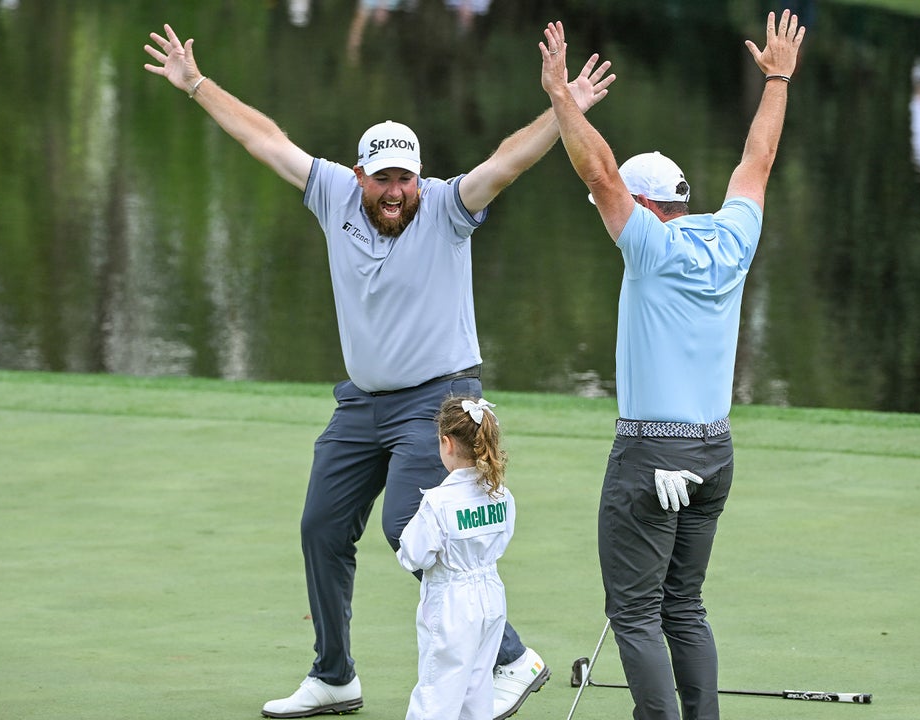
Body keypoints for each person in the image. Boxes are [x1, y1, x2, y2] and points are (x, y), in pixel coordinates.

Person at [142, 22, 614, 720]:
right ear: (360, 175)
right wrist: (197, 85)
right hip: (361, 403)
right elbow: (263, 138)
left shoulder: (448, 210)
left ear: (418, 177)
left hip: (441, 399)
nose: (396, 191)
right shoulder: (333, 194)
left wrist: (561, 107)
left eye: (405, 178)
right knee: (322, 527)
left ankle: (512, 656)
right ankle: (334, 675)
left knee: (408, 523)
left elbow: (507, 162)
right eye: (383, 178)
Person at [538, 11, 805, 720]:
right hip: (714, 451)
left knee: (633, 613)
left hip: (651, 452)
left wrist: (562, 98)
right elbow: (759, 159)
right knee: (682, 606)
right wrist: (777, 78)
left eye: (622, 206)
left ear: (649, 205)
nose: (608, 216)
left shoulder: (650, 245)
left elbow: (599, 175)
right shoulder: (733, 236)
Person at [397, 397, 514, 720]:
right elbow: (503, 537)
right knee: (477, 687)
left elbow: (413, 555)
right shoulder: (500, 493)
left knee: (438, 689)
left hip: (452, 600)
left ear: (446, 443)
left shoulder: (439, 501)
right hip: (491, 594)